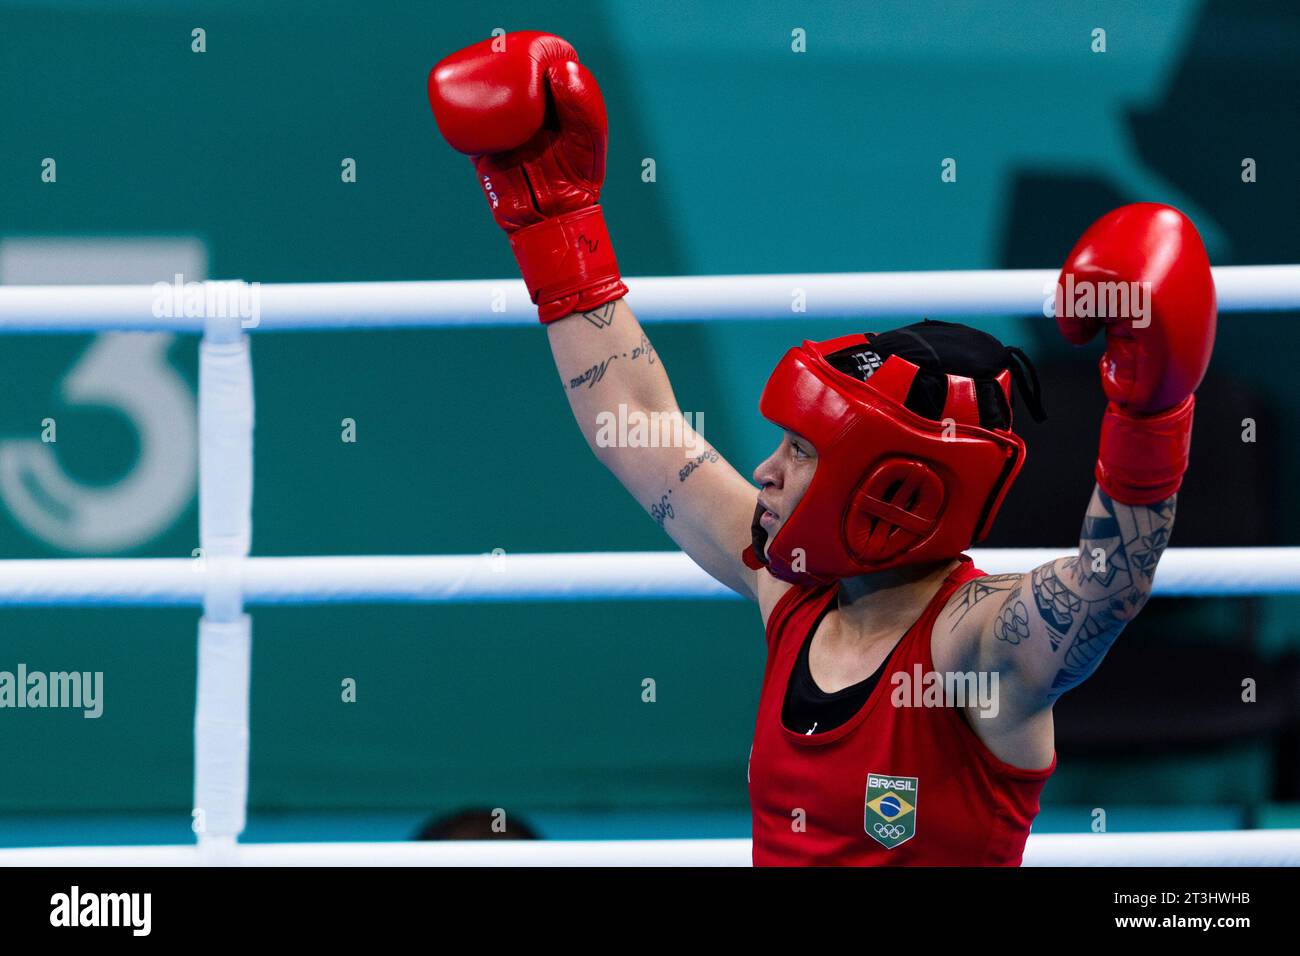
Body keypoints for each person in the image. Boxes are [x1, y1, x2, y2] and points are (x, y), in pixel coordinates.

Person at [427, 32, 1217, 865]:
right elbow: (635, 426)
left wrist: (1152, 416)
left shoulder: (971, 649)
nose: (764, 469)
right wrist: (556, 222)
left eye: (801, 450)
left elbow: (1107, 588)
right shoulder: (792, 593)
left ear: (892, 486)